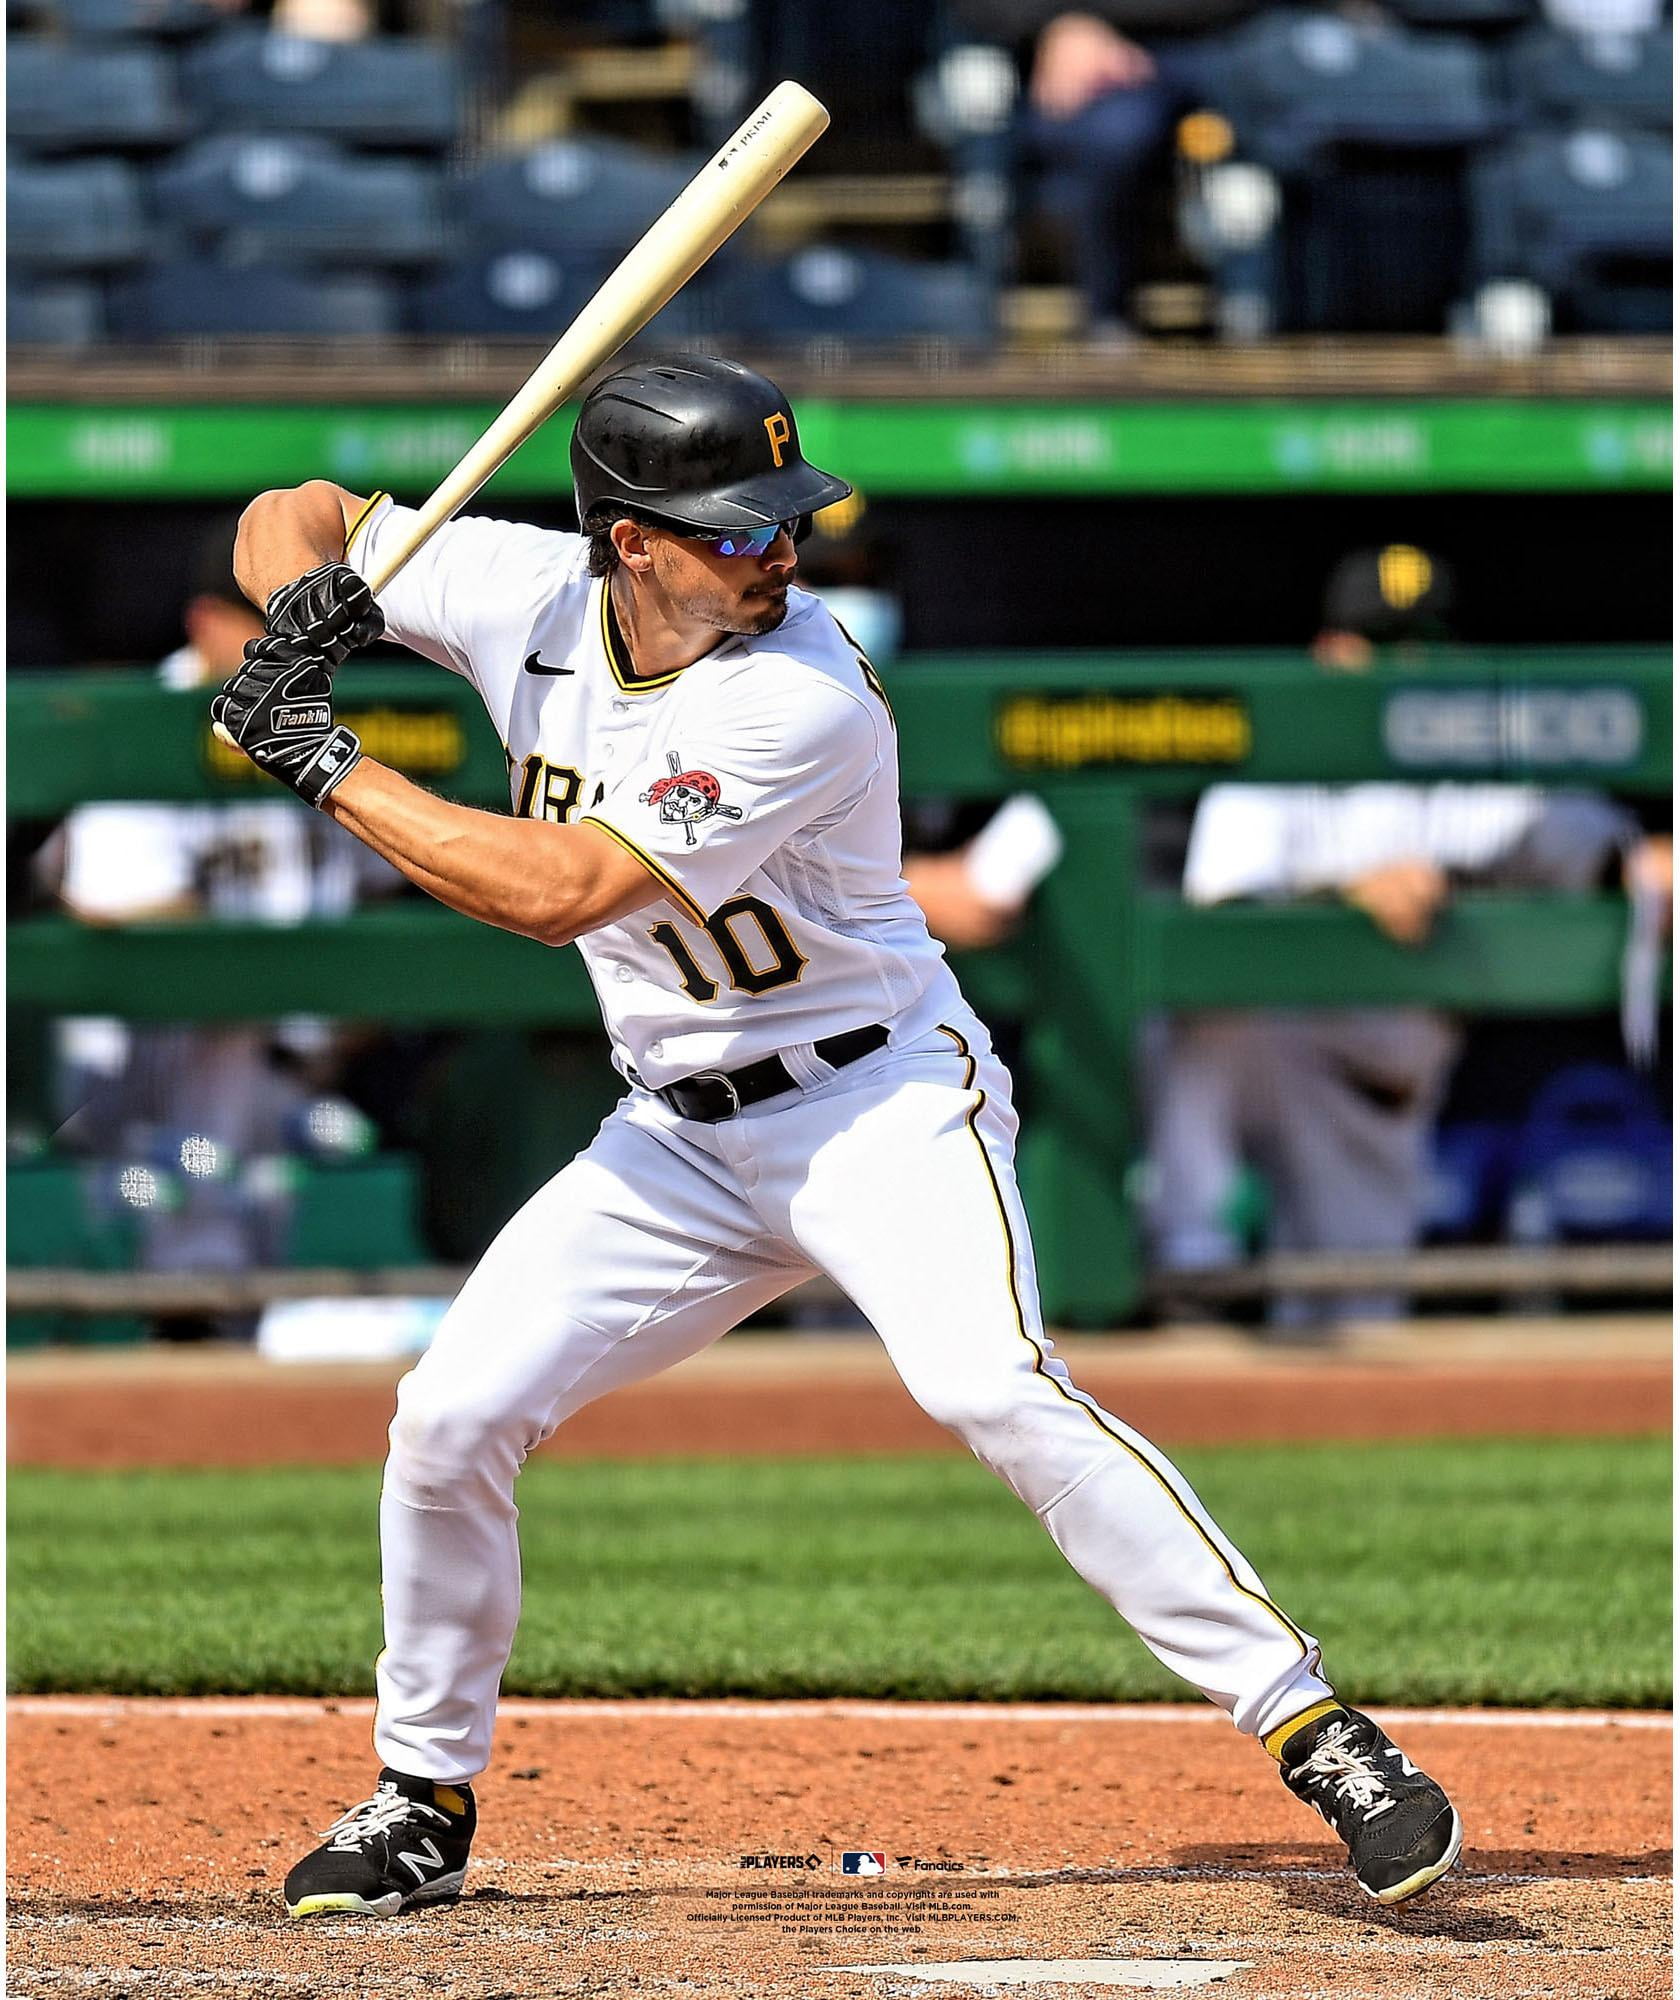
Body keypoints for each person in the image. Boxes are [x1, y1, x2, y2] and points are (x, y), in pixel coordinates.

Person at [213, 355, 1460, 1919]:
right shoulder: (516, 588)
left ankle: (1318, 1730)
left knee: (992, 1386)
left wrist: (328, 759)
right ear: (632, 543)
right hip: (673, 1135)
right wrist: (308, 597)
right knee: (450, 1418)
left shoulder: (798, 690)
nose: (781, 552)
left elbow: (557, 894)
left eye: (786, 520)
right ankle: (422, 1795)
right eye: (740, 528)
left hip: (877, 1103)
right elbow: (289, 509)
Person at [1148, 545, 1663, 1330]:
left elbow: (1608, 853)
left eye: (1423, 643)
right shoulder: (1271, 755)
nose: (1405, 666)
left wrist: (1641, 866)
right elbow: (1218, 923)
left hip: (1375, 1096)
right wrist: (1345, 893)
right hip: (1272, 1052)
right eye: (1380, 644)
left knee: (1359, 1325)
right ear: (1330, 651)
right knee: (1196, 1020)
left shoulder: (1483, 770)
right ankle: (1193, 1249)